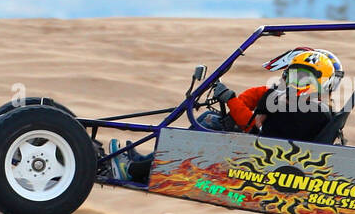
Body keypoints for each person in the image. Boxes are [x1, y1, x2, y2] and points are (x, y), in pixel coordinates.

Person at [108, 48, 341, 183]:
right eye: (292, 76)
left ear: (321, 82)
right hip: (267, 155)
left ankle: (134, 171)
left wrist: (230, 98)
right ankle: (146, 164)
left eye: (304, 78)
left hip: (261, 161)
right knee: (210, 121)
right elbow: (257, 112)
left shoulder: (308, 109)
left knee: (206, 129)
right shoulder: (310, 107)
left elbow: (252, 127)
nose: (295, 82)